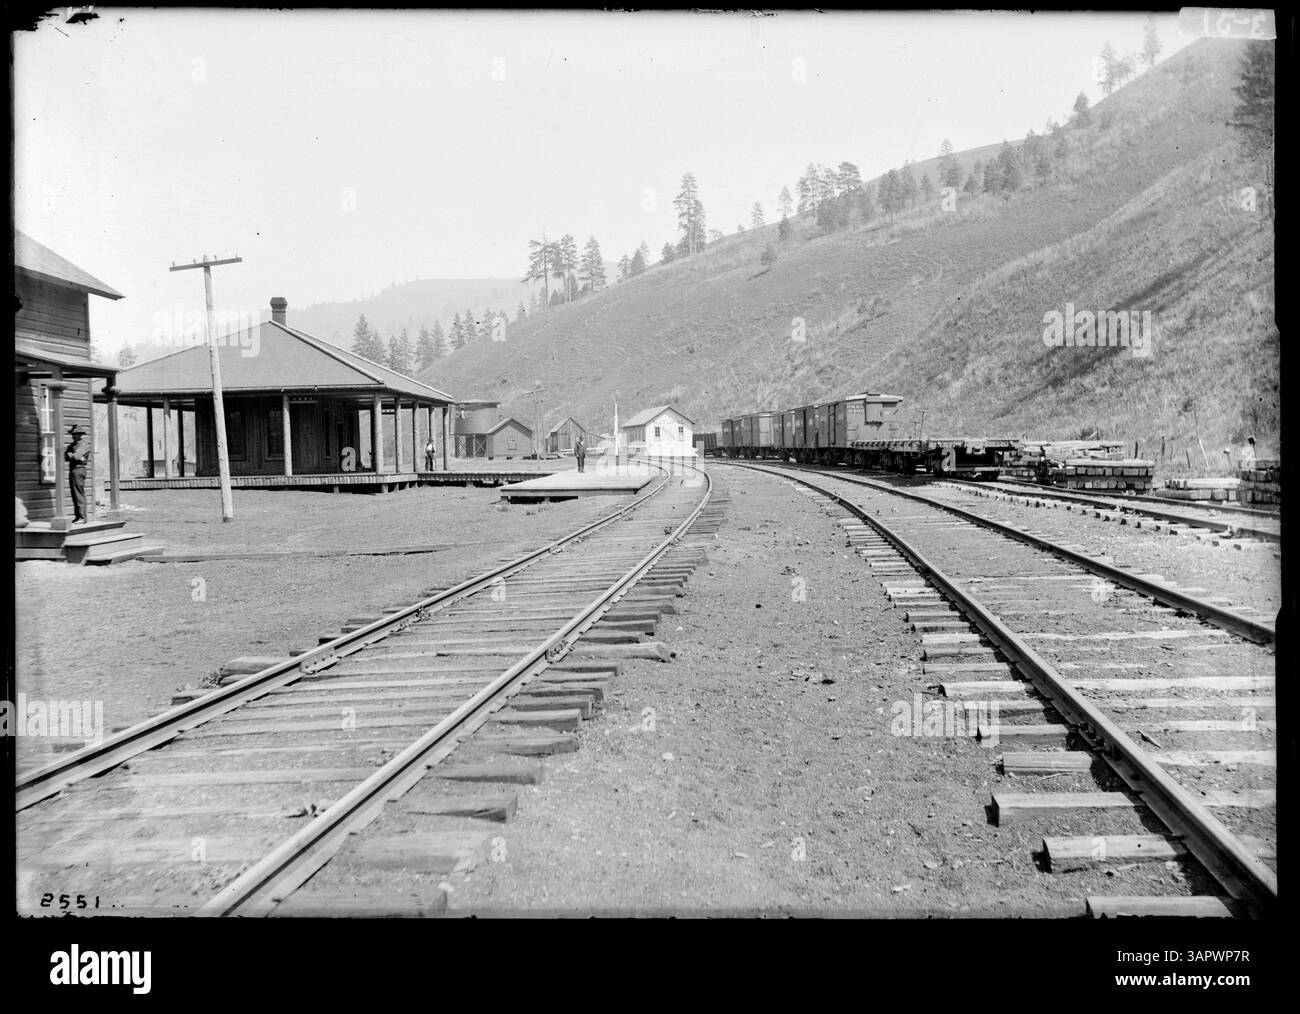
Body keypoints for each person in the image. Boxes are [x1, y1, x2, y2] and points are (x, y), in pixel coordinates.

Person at [65, 424, 91, 523]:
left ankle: (83, 517)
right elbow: (66, 457)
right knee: (74, 494)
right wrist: (71, 455)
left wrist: (71, 454)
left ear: (80, 434)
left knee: (79, 494)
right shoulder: (72, 446)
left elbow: (76, 456)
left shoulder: (84, 445)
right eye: (72, 434)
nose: (73, 436)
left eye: (75, 434)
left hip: (79, 469)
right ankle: (78, 516)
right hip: (73, 469)